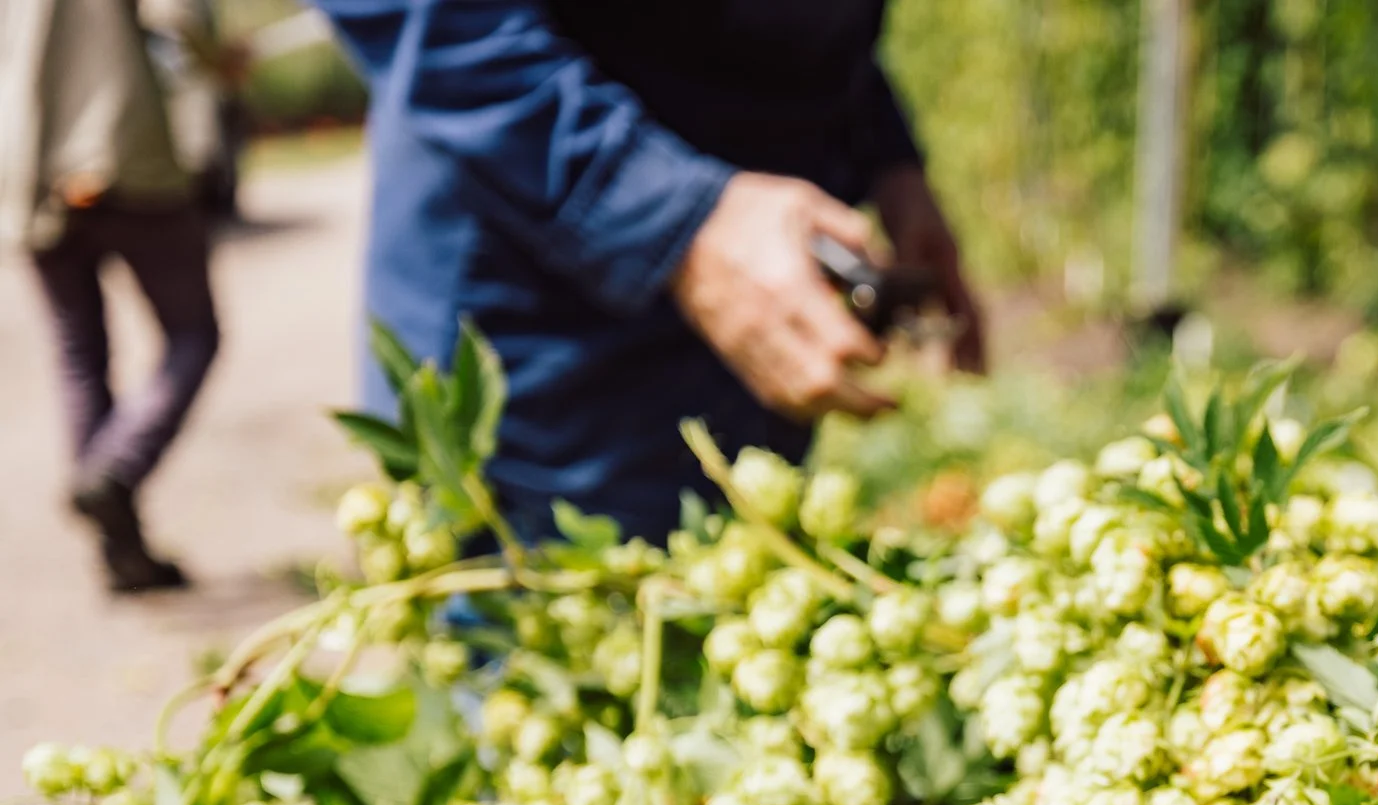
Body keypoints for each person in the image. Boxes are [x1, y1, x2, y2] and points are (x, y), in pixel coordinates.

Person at [313, 0, 987, 543]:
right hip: (539, 338)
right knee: (556, 666)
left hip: (749, 309)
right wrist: (667, 216)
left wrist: (885, 154)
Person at [1, 0, 219, 593]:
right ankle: (115, 474)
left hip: (28, 166)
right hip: (120, 152)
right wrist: (222, 63)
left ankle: (120, 551)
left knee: (80, 353)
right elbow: (180, 18)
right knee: (194, 333)